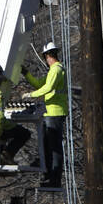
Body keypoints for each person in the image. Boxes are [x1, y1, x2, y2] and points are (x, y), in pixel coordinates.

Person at [23, 42, 68, 187]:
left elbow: (47, 88)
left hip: (55, 112)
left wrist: (31, 95)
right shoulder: (53, 71)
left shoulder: (56, 70)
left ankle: (54, 179)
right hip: (52, 112)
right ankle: (49, 175)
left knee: (54, 147)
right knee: (49, 145)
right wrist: (26, 73)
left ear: (48, 56)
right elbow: (38, 84)